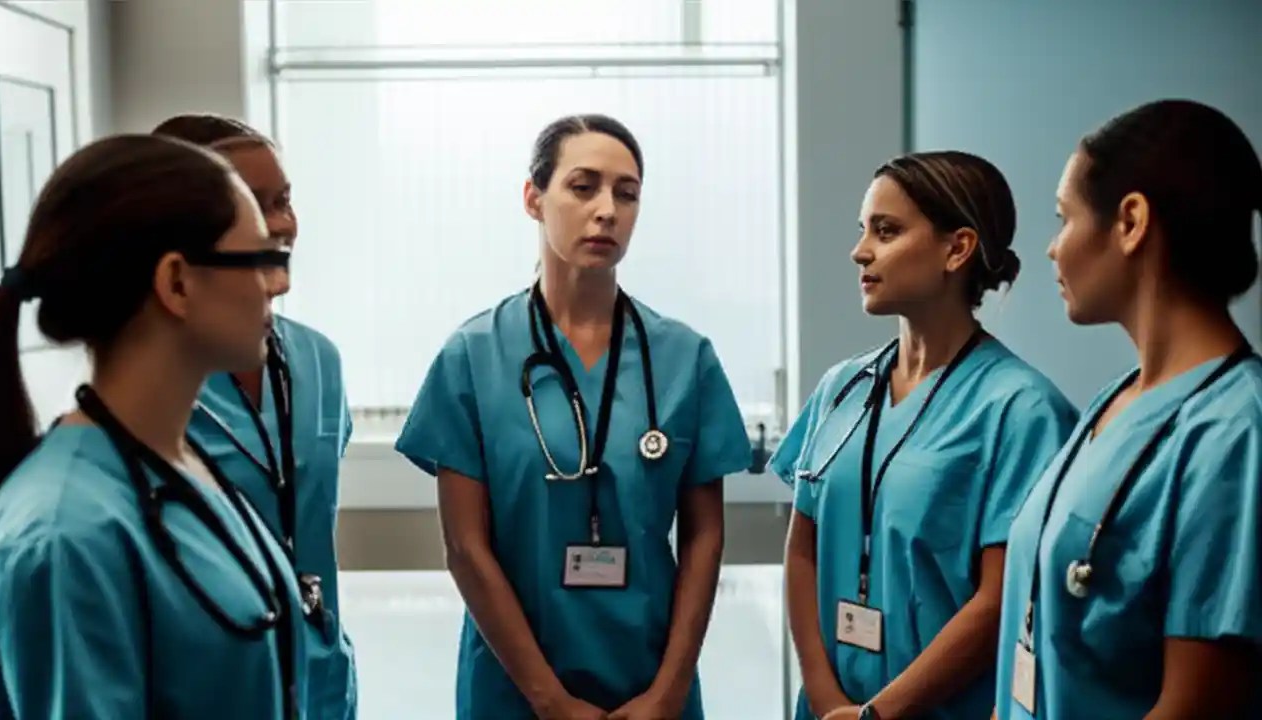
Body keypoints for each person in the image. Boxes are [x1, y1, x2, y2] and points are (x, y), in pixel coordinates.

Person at [396, 114, 752, 720]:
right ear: (534, 198)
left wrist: (668, 692)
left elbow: (703, 537)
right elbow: (465, 547)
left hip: (650, 682)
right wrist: (550, 700)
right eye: (583, 186)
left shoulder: (683, 357)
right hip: (514, 689)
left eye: (627, 192)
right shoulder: (474, 355)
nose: (607, 209)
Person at [0, 134, 307, 718]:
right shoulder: (63, 534)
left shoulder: (184, 470)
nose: (276, 284)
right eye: (256, 259)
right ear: (177, 283)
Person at [771, 151, 1078, 720]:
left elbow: (999, 600)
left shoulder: (1021, 409)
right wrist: (823, 697)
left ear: (957, 249)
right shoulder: (842, 387)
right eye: (863, 230)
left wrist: (879, 715)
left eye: (885, 231)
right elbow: (802, 549)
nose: (860, 251)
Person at [993, 99, 1262, 720]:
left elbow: (1196, 706)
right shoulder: (1113, 401)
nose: (1053, 249)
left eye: (1064, 219)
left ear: (1131, 221)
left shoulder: (1234, 434)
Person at [153, 113, 358, 720]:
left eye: (285, 199)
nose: (283, 224)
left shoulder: (318, 360)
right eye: (254, 204)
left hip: (320, 677)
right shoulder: (156, 382)